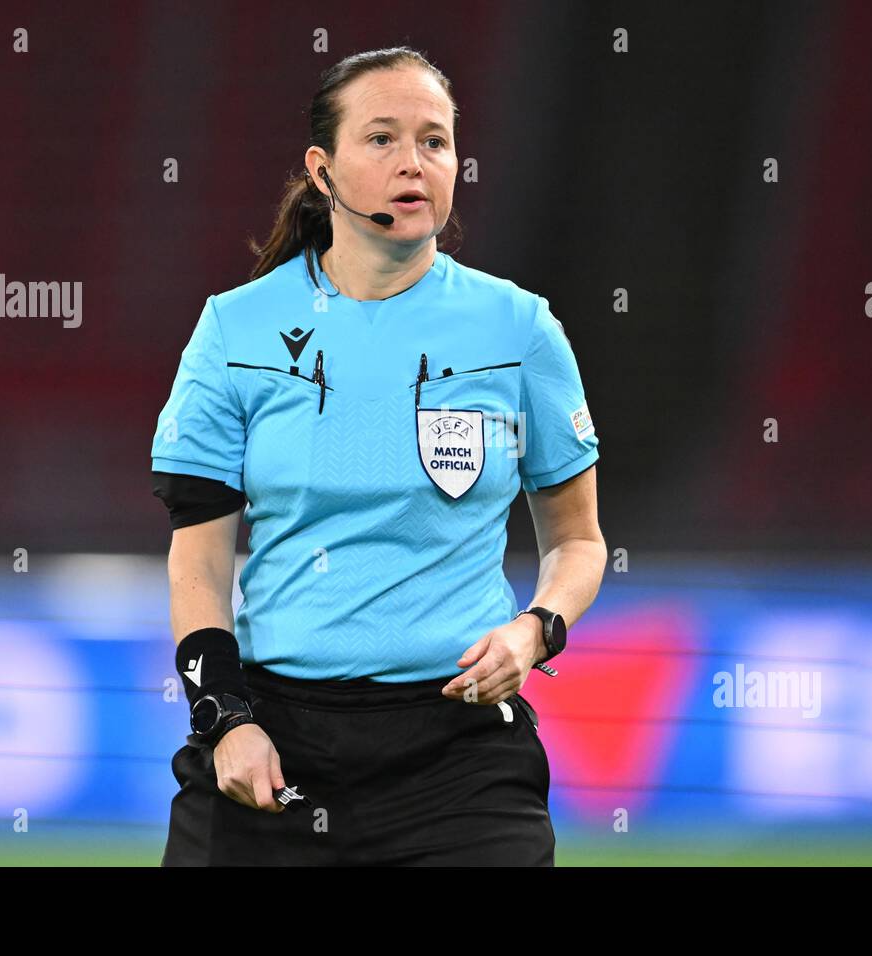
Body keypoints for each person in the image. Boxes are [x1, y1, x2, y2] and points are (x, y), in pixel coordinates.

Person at [150, 46, 605, 866]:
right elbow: (200, 560)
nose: (414, 163)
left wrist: (535, 632)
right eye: (382, 139)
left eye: (435, 142)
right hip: (274, 741)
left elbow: (578, 541)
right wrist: (226, 718)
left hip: (461, 758)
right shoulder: (233, 329)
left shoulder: (520, 329)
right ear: (322, 170)